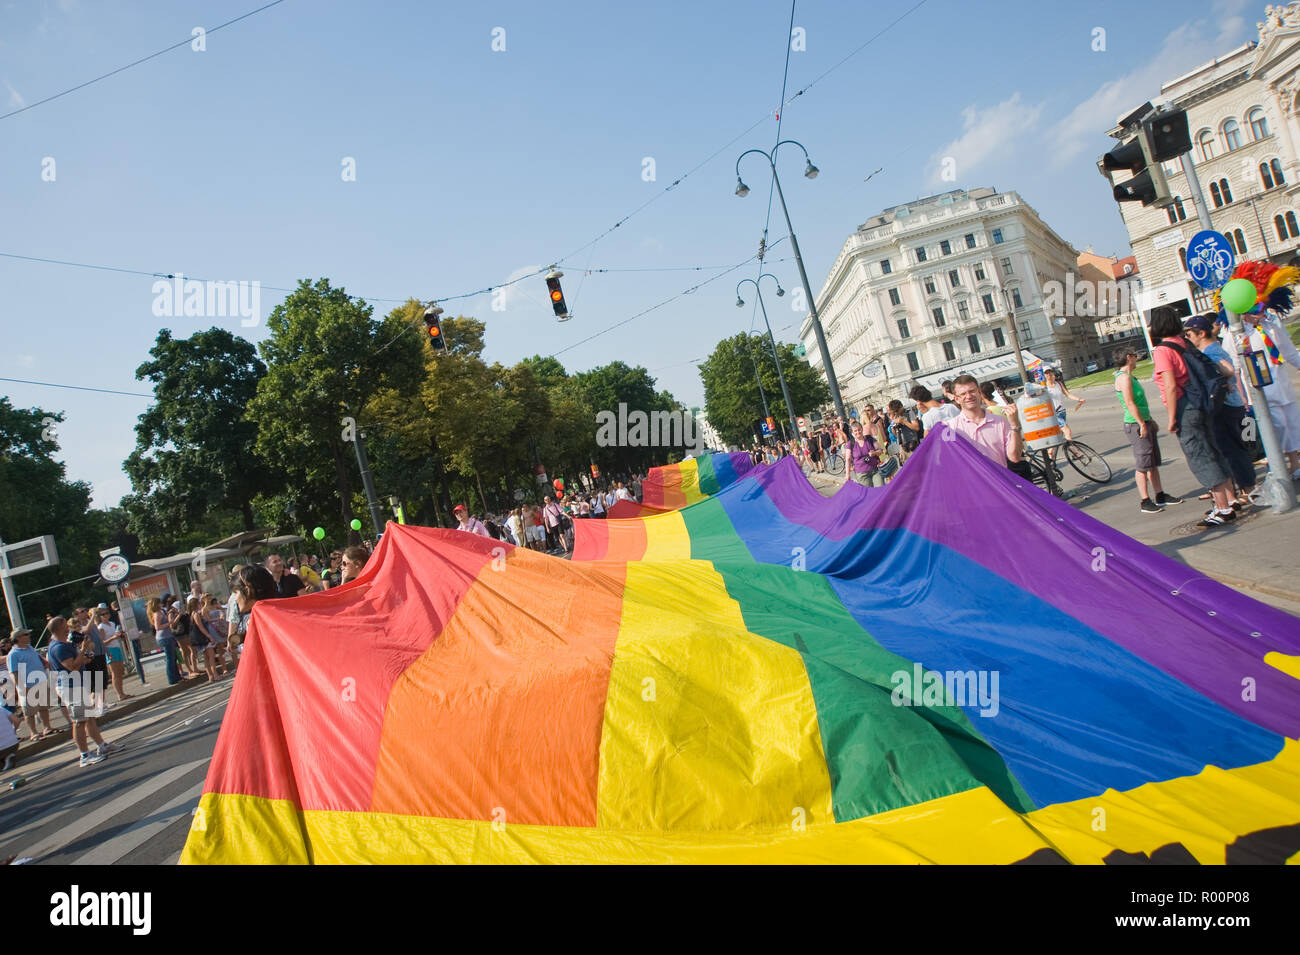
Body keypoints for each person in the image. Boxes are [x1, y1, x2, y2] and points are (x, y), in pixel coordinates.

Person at [1150, 307, 1237, 528]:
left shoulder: (1162, 350)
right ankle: (1231, 499)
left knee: (1200, 456)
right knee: (1213, 450)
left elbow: (1170, 385)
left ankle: (1223, 508)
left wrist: (1171, 419)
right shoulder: (1183, 343)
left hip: (1183, 406)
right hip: (1200, 402)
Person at [1185, 314, 1257, 507]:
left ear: (1201, 333)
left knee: (1232, 451)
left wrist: (1219, 375)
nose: (1188, 337)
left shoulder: (1211, 352)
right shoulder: (1214, 348)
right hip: (1231, 405)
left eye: (1190, 333)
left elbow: (1228, 370)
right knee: (1234, 449)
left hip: (1225, 406)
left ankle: (1249, 489)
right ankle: (1246, 488)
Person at [1114, 346, 1182, 513]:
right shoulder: (1123, 379)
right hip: (1135, 425)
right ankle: (1145, 501)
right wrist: (1142, 424)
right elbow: (1130, 403)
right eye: (1135, 356)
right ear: (1129, 357)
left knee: (1152, 462)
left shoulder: (1131, 377)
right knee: (1143, 464)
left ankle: (1160, 495)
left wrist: (1149, 421)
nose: (1137, 358)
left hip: (1144, 421)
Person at [47, 616, 117, 766]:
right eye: (65, 624)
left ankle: (102, 746)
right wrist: (84, 649)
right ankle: (84, 755)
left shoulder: (65, 644)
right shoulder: (58, 647)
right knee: (79, 721)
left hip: (78, 684)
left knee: (89, 717)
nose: (69, 627)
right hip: (70, 687)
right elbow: (71, 666)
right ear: (59, 627)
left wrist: (86, 655)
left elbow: (80, 662)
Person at [1245, 306, 1300, 479]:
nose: (1261, 314)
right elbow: (1238, 367)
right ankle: (1276, 468)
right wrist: (1245, 397)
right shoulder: (1238, 333)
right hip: (1261, 390)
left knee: (1291, 424)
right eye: (1256, 311)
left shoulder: (1271, 325)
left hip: (1281, 383)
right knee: (1272, 429)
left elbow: (1289, 351)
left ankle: (1295, 464)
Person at [947, 374, 1023, 467]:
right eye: (963, 394)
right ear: (956, 399)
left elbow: (1015, 457)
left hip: (997, 479)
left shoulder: (1000, 422)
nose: (969, 396)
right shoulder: (951, 428)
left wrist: (1015, 425)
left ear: (979, 392)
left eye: (972, 391)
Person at [6, 628, 55, 740]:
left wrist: (45, 663)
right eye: (26, 634)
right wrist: (22, 687)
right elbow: (13, 673)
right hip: (27, 686)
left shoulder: (30, 648)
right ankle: (34, 733)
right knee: (29, 712)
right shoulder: (13, 654)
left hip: (40, 681)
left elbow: (38, 659)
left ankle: (47, 728)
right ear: (18, 638)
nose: (29, 636)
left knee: (43, 707)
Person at [94, 605, 133, 703]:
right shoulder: (101, 627)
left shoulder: (112, 623)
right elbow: (102, 642)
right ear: (100, 616)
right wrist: (113, 638)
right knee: (115, 673)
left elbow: (115, 634)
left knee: (120, 671)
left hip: (117, 647)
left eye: (107, 613)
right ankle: (119, 694)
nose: (106, 615)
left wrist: (119, 635)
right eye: (103, 614)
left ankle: (122, 692)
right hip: (110, 649)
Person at [149, 597, 182, 686]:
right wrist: (169, 623)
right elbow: (157, 627)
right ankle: (172, 679)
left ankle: (177, 676)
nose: (161, 604)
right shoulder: (157, 614)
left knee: (174, 657)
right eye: (159, 603)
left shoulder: (162, 612)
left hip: (168, 636)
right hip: (163, 637)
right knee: (170, 658)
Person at [845, 421, 886, 487]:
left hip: (875, 470)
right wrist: (847, 474)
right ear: (852, 433)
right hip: (862, 474)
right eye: (855, 431)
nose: (858, 432)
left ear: (862, 429)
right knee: (868, 493)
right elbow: (848, 459)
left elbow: (881, 450)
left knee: (880, 489)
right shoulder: (850, 444)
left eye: (859, 430)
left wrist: (875, 453)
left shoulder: (870, 439)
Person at [187, 596, 218, 682]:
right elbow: (201, 627)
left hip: (200, 638)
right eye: (199, 603)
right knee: (211, 656)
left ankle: (211, 676)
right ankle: (214, 674)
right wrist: (210, 636)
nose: (200, 604)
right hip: (203, 638)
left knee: (206, 657)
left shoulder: (193, 614)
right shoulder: (196, 614)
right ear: (196, 605)